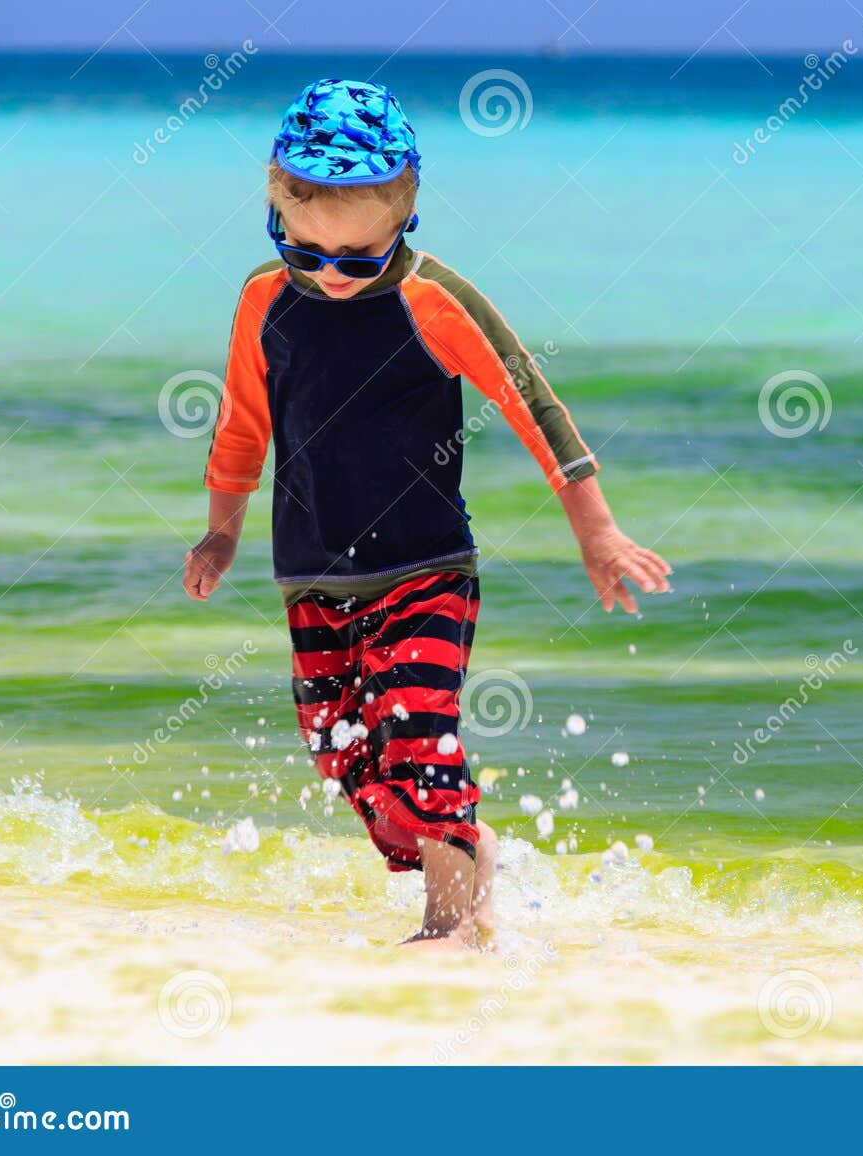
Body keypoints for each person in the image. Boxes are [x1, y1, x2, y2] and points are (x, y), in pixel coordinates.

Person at [181, 78, 671, 950]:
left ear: (404, 217)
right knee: (345, 759)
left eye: (359, 259)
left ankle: (449, 925)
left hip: (427, 566)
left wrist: (595, 530)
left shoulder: (433, 302)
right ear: (277, 218)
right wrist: (222, 529)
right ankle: (475, 852)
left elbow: (532, 402)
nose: (331, 276)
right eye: (308, 253)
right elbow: (242, 421)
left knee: (417, 728)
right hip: (309, 572)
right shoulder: (264, 300)